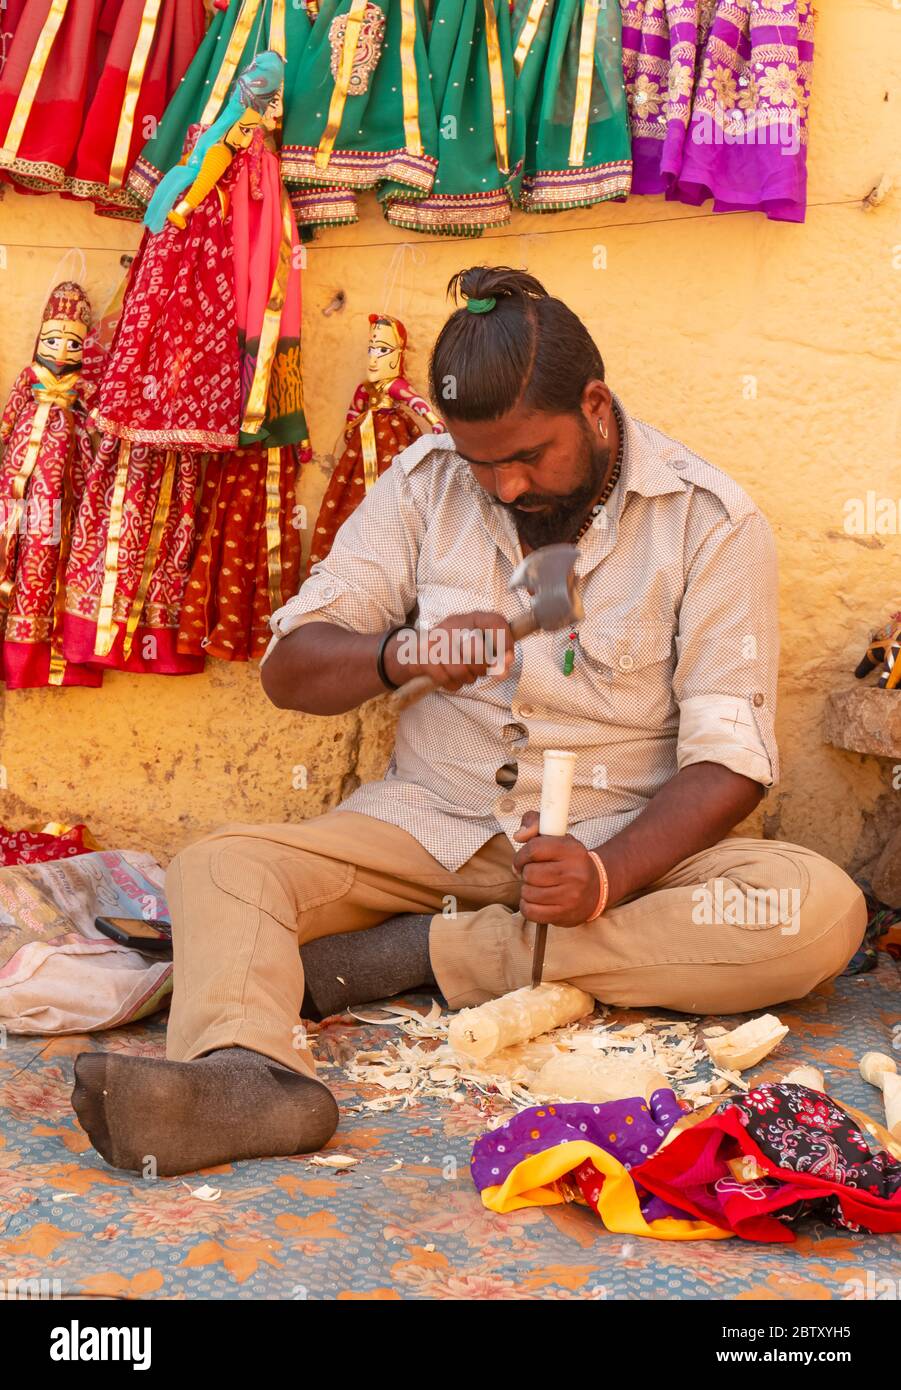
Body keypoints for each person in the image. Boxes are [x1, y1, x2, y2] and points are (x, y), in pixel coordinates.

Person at [72, 265, 866, 1176]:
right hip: (428, 828)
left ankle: (411, 956)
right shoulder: (424, 484)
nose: (506, 484)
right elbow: (290, 667)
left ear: (596, 406)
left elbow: (729, 760)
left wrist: (605, 875)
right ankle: (249, 1080)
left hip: (624, 846)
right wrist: (398, 654)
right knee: (220, 865)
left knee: (814, 912)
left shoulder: (710, 522)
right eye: (481, 461)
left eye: (530, 455)